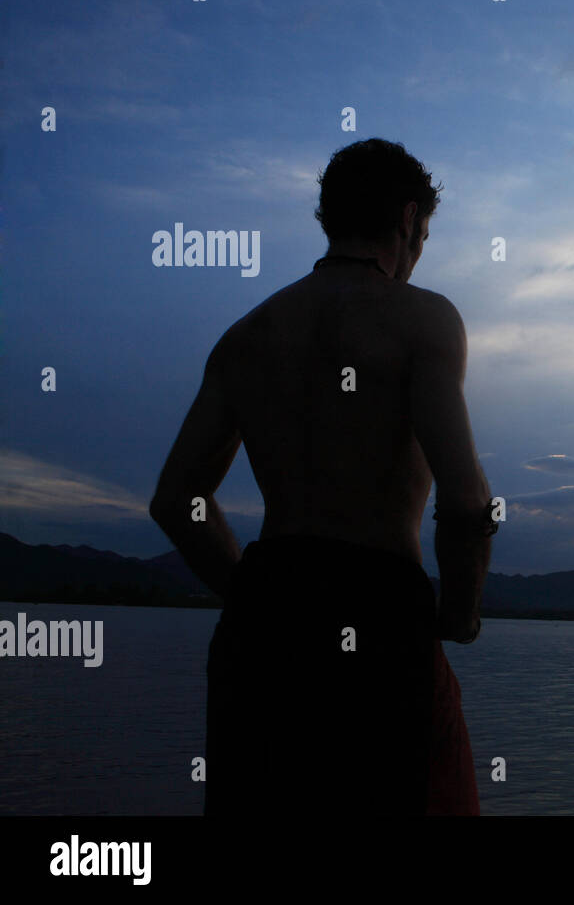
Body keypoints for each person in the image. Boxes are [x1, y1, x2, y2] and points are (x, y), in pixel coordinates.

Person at [149, 138, 494, 815]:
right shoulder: (425, 320)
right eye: (422, 235)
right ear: (406, 220)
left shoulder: (247, 335)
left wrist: (255, 594)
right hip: (381, 616)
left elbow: (176, 500)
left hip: (263, 627)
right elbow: (466, 499)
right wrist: (459, 616)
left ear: (330, 218)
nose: (419, 251)